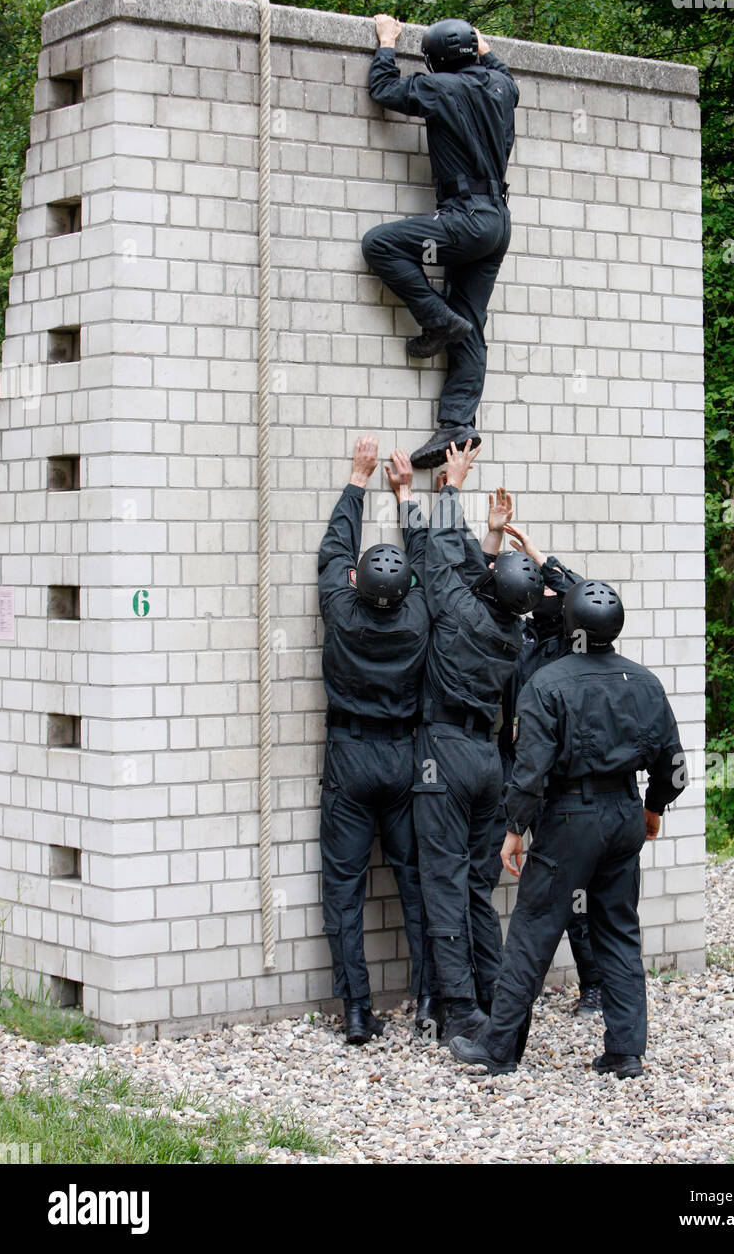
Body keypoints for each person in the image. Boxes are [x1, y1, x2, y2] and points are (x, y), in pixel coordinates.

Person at [449, 579, 688, 1077]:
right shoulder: (645, 683)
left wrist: (515, 827)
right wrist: (653, 805)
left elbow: (531, 770)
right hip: (624, 813)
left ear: (572, 624)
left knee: (533, 930)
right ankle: (625, 1051)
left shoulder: (548, 683)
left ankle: (498, 1047)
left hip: (569, 820)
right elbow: (673, 764)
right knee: (619, 930)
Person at [413, 439, 543, 1043]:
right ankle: (494, 998)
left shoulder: (461, 610)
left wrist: (450, 487)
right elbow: (475, 578)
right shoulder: (511, 633)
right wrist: (492, 539)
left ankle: (461, 1011)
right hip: (490, 762)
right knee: (474, 887)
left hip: (444, 753)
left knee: (442, 881)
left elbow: (441, 561)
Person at [317, 435, 438, 1043]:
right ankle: (425, 1002)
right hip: (403, 757)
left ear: (355, 582)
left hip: (350, 756)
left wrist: (356, 480)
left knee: (344, 888)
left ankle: (358, 1011)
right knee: (414, 880)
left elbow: (333, 549)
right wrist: (406, 495)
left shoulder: (340, 608)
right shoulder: (418, 615)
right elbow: (424, 563)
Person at [361, 14, 518, 471]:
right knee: (471, 320)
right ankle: (456, 423)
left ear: (436, 62)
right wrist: (481, 46)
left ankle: (437, 319)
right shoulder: (500, 88)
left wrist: (387, 43)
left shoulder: (440, 88)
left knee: (380, 245)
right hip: (498, 224)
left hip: (465, 218)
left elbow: (385, 90)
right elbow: (505, 72)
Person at [482, 521, 604, 1016]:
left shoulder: (572, 640)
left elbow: (582, 592)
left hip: (561, 779)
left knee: (572, 889)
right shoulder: (519, 633)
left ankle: (593, 983)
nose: (546, 589)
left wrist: (537, 552)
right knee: (500, 873)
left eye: (548, 585)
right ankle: (504, 990)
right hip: (515, 768)